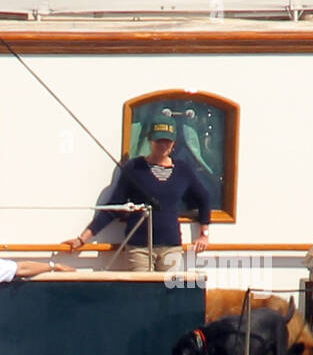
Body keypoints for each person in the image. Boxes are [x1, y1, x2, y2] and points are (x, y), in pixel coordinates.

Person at [64, 116, 212, 271]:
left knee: (168, 294)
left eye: (167, 141)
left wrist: (204, 234)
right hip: (139, 248)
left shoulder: (183, 170)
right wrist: (82, 239)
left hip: (171, 247)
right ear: (150, 140)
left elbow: (204, 198)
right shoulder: (133, 168)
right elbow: (113, 209)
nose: (163, 145)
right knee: (142, 293)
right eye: (159, 140)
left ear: (174, 143)